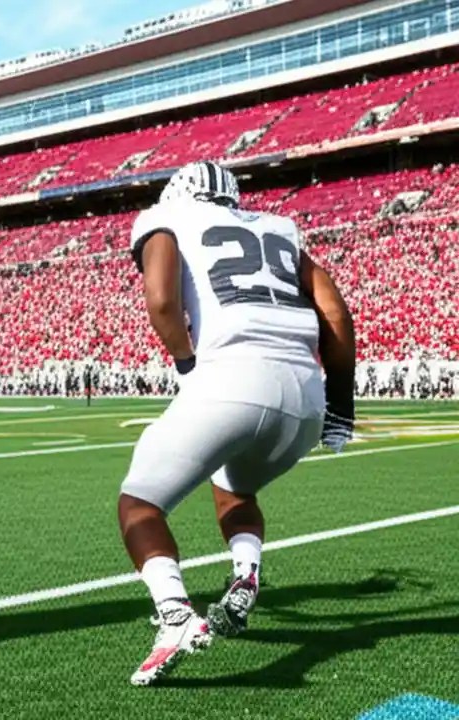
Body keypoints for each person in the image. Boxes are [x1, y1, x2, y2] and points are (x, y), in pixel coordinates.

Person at [119, 161, 356, 685]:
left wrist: (186, 365)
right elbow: (336, 316)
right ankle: (246, 573)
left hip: (232, 377)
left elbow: (161, 300)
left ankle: (176, 615)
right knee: (234, 488)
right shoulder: (281, 229)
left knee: (139, 505)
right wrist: (341, 410)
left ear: (178, 193)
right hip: (306, 396)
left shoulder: (166, 217)